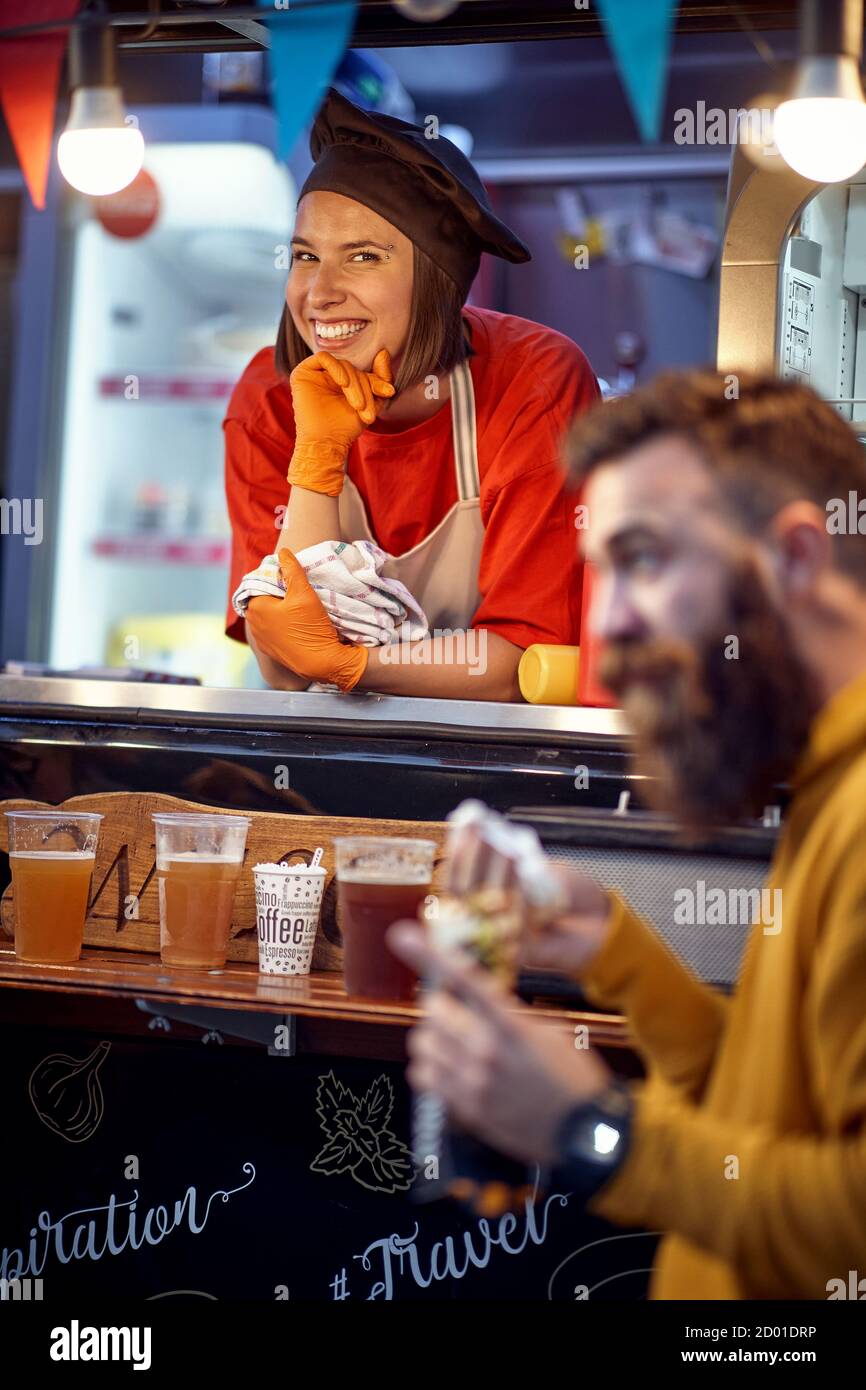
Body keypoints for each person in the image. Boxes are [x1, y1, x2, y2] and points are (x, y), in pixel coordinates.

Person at [389, 370, 866, 1299]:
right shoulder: (826, 780)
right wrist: (617, 951)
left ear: (799, 558)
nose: (603, 630)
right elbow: (774, 1110)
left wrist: (592, 1133)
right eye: (597, 572)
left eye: (642, 559)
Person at [223, 89, 599, 700]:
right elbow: (284, 664)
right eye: (305, 255)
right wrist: (318, 453)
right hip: (309, 751)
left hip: (499, 758)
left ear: (437, 281)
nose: (319, 292)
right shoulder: (269, 395)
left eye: (363, 257)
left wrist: (352, 669)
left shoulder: (534, 380)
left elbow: (527, 660)